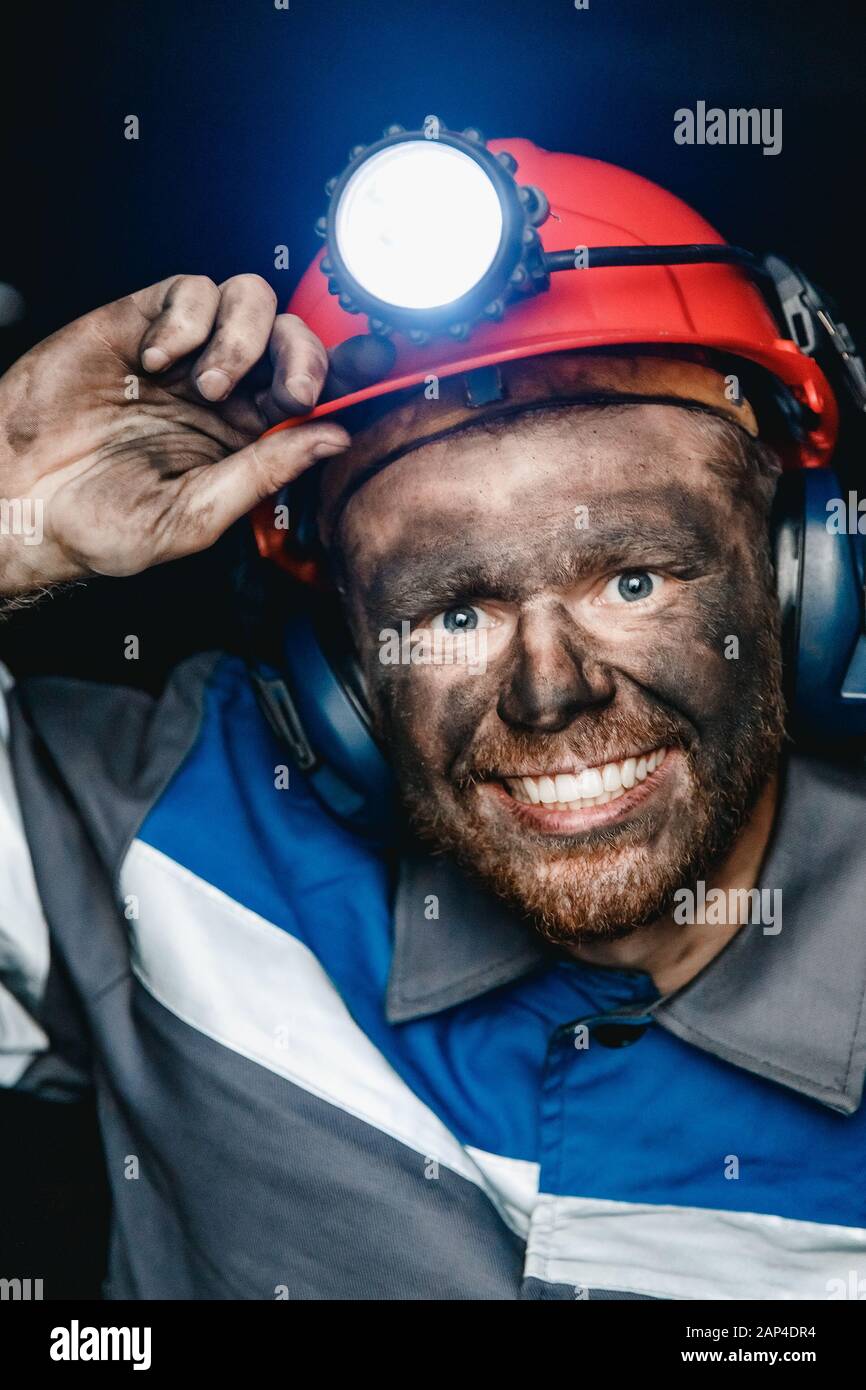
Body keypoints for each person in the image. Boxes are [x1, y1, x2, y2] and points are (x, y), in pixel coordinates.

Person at [1, 139, 865, 1302]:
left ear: (800, 578)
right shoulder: (177, 830)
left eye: (633, 580)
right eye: (452, 610)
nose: (549, 692)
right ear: (340, 665)